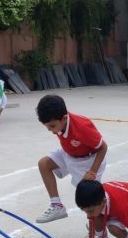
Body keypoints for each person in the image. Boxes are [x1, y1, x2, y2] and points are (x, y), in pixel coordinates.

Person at [35, 94, 109, 224]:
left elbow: (103, 147)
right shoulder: (59, 118)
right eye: (47, 127)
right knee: (44, 164)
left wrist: (93, 171)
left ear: (64, 118)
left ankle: (95, 228)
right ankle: (57, 206)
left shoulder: (82, 127)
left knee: (88, 196)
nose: (50, 130)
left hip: (89, 160)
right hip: (69, 153)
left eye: (52, 126)